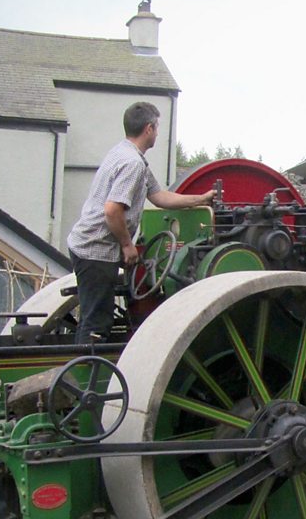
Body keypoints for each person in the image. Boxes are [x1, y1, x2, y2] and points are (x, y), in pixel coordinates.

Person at [66, 101, 215, 344]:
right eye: (156, 128)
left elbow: (159, 196)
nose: (157, 132)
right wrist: (127, 245)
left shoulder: (125, 154)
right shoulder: (133, 164)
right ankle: (85, 375)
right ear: (148, 129)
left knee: (93, 316)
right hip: (96, 250)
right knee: (96, 323)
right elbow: (112, 211)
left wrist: (201, 199)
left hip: (87, 246)